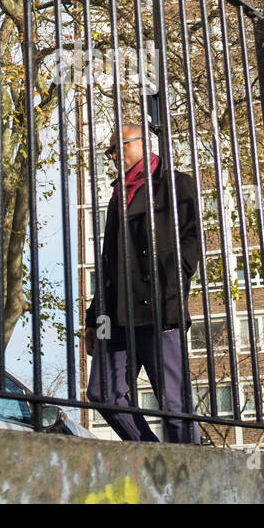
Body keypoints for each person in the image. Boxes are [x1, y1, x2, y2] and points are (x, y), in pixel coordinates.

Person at [84, 121, 203, 443]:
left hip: (159, 308)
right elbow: (108, 263)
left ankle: (192, 471)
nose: (110, 156)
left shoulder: (175, 184)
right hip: (115, 314)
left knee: (174, 404)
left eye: (115, 148)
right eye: (108, 150)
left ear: (140, 143)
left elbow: (192, 237)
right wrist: (94, 318)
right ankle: (149, 452)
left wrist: (176, 275)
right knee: (102, 393)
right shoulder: (116, 197)